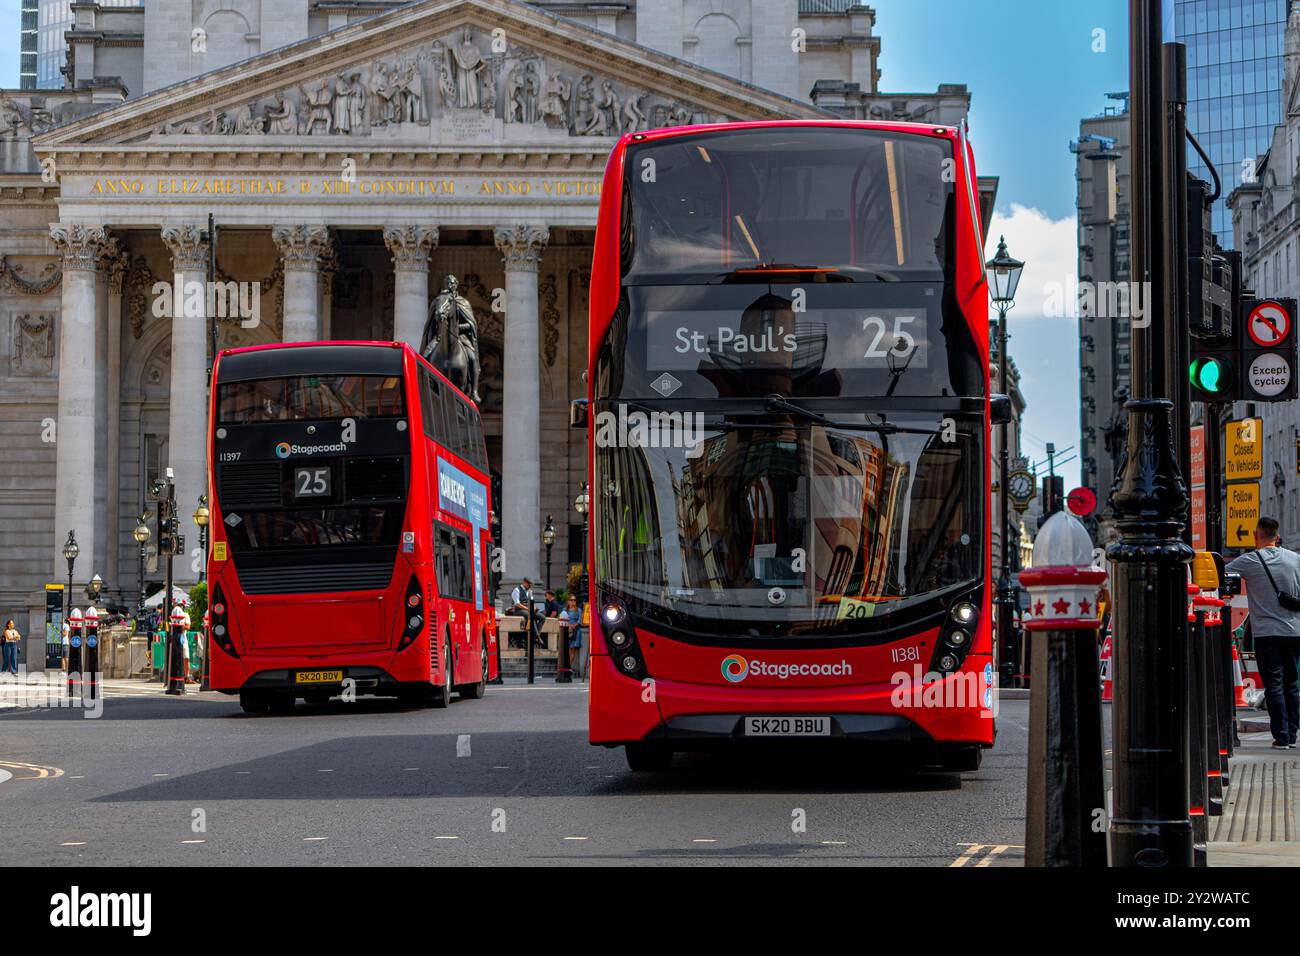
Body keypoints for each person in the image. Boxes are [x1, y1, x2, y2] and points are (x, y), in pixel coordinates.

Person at [1227, 516, 1300, 749]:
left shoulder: (1249, 560)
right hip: (1294, 631)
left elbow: (1220, 573)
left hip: (1266, 633)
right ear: (1277, 537)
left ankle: (1282, 737)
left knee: (1274, 685)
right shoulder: (1296, 559)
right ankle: (1293, 733)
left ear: (1256, 536)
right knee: (1292, 684)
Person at [509, 577, 544, 649]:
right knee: (531, 616)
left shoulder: (529, 591)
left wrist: (534, 608)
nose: (530, 587)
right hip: (519, 610)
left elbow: (531, 602)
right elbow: (517, 604)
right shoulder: (517, 590)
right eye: (529, 585)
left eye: (531, 585)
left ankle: (535, 636)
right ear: (524, 582)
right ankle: (537, 637)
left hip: (528, 610)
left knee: (542, 617)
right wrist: (528, 609)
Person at [558, 595, 587, 681]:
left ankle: (569, 667)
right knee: (566, 650)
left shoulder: (578, 610)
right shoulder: (564, 610)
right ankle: (566, 666)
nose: (573, 602)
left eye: (574, 600)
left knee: (572, 649)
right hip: (566, 631)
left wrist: (573, 626)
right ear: (568, 601)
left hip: (575, 631)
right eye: (571, 600)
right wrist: (568, 626)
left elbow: (579, 621)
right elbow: (560, 619)